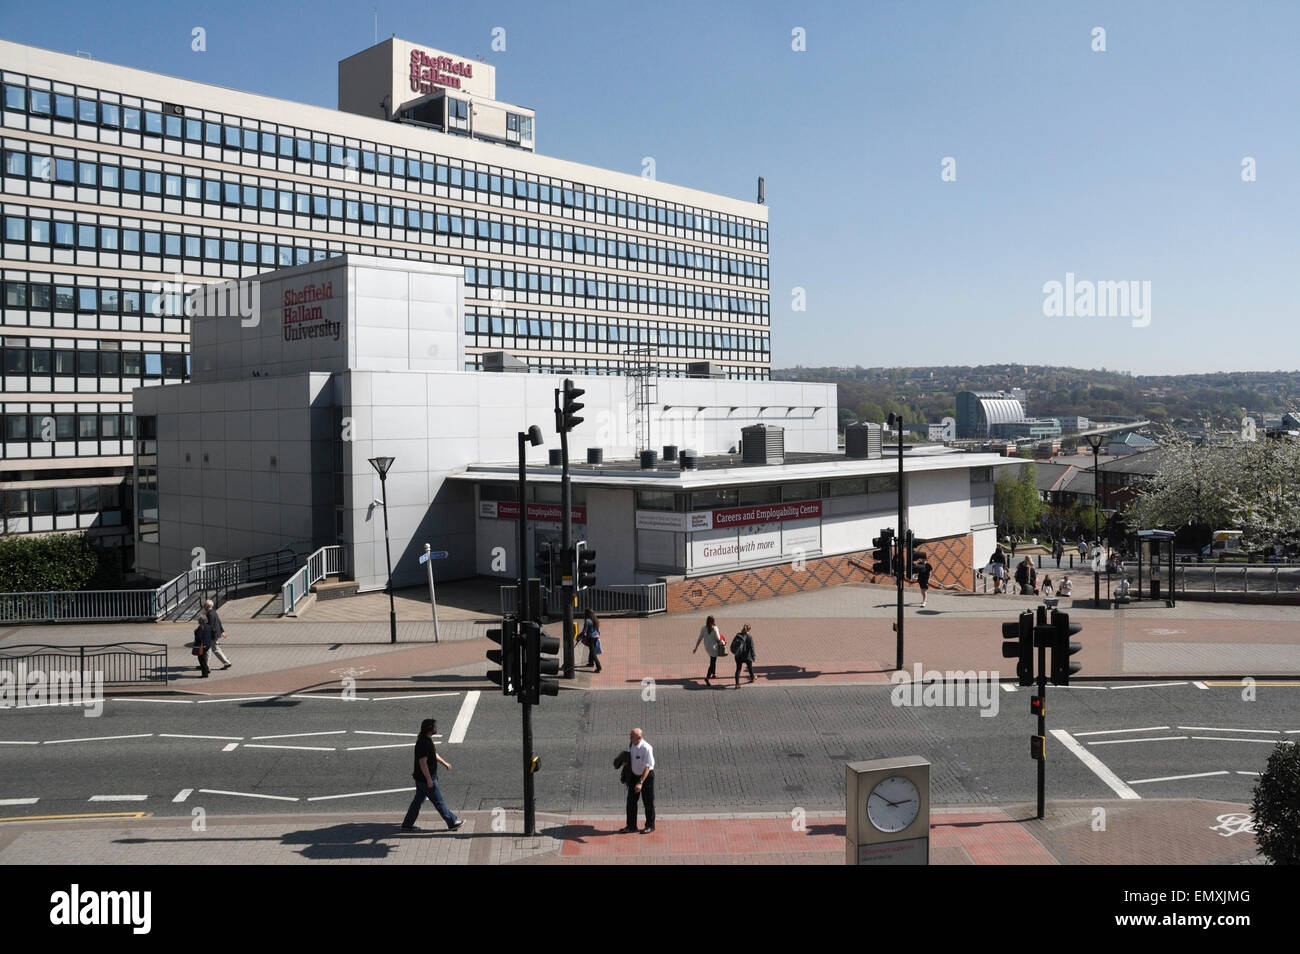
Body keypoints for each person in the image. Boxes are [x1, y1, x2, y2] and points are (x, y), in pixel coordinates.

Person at [401, 718, 464, 832]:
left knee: (418, 801)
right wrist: (429, 779)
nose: (436, 728)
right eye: (434, 727)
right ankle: (452, 822)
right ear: (429, 729)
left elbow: (433, 754)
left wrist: (445, 763)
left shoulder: (426, 739)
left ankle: (407, 824)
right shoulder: (424, 743)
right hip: (426, 779)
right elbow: (422, 763)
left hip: (421, 779)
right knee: (439, 801)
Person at [620, 727, 655, 834]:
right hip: (634, 776)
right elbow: (632, 757)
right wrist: (626, 763)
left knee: (648, 802)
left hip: (646, 777)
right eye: (630, 736)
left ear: (639, 737)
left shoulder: (646, 748)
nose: (630, 738)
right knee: (631, 802)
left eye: (632, 736)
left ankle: (650, 825)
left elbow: (648, 767)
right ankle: (631, 826)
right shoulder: (632, 744)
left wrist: (640, 783)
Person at [693, 614, 724, 685]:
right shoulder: (715, 628)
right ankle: (707, 678)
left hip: (707, 648)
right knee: (712, 663)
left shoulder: (703, 628)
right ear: (713, 621)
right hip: (714, 648)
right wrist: (723, 642)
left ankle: (714, 674)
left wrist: (696, 648)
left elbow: (700, 638)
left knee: (713, 660)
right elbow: (718, 639)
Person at [203, 599, 232, 670]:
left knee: (209, 650)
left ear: (207, 606)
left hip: (211, 635)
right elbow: (219, 622)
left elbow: (211, 626)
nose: (203, 606)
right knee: (214, 649)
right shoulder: (214, 612)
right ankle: (226, 662)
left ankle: (205, 666)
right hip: (215, 634)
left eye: (204, 605)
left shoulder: (209, 614)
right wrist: (222, 631)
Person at [579, 609, 602, 673]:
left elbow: (584, 631)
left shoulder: (587, 621)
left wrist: (579, 636)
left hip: (591, 638)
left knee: (593, 652)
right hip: (596, 637)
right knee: (591, 649)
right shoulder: (595, 619)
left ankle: (599, 667)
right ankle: (591, 662)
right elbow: (598, 630)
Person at [193, 611, 215, 678]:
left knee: (201, 659)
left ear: (200, 621)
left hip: (202, 645)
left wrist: (195, 632)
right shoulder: (209, 626)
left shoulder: (200, 627)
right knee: (204, 658)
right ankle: (206, 670)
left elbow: (198, 638)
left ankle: (205, 674)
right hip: (208, 645)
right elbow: (213, 634)